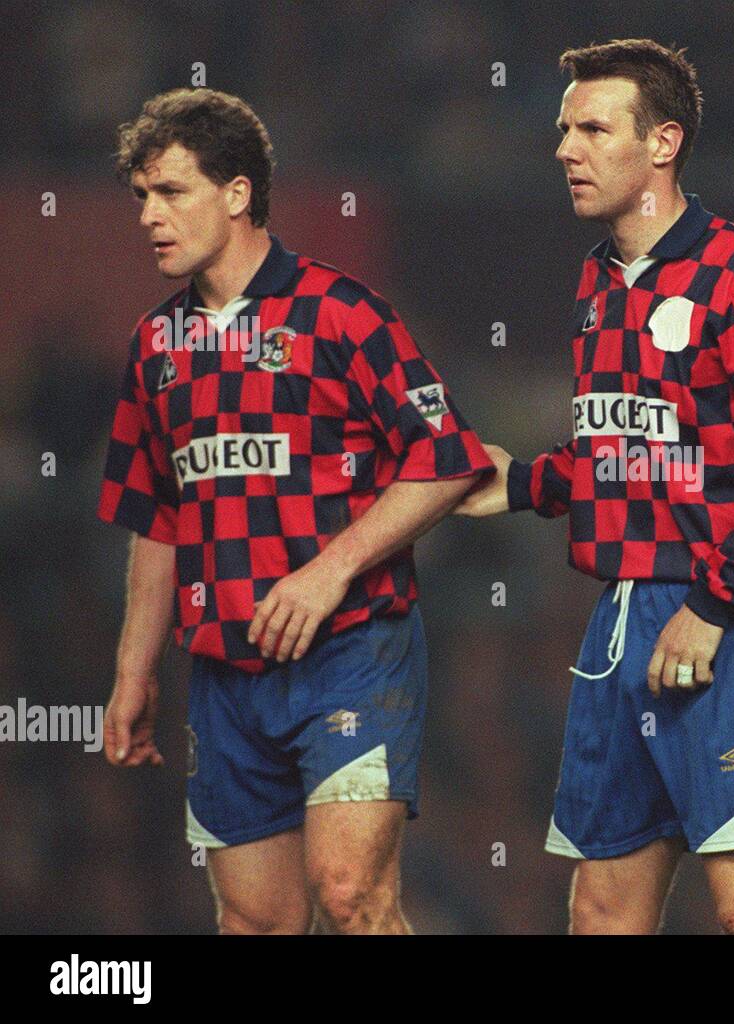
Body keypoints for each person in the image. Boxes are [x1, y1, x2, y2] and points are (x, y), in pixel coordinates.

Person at [457, 39, 734, 934]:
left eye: (593, 128)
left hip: (733, 620)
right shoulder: (598, 281)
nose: (565, 148)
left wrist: (715, 602)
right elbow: (627, 448)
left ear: (663, 143)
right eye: (563, 129)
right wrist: (522, 483)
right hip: (620, 617)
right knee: (600, 913)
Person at [98, 88, 492, 934]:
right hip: (224, 674)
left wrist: (328, 572)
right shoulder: (155, 346)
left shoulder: (340, 313)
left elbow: (447, 458)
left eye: (171, 192)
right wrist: (133, 671)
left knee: (349, 893)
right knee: (256, 919)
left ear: (237, 193)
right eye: (142, 197)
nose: (150, 217)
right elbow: (157, 516)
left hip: (351, 651)